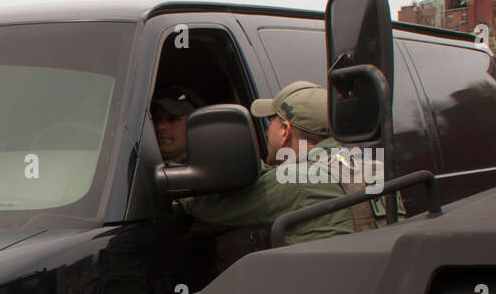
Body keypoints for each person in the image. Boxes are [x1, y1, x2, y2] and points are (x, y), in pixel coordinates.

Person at [180, 80, 356, 249]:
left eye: (270, 122)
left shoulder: (297, 181)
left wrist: (177, 171)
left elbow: (209, 208)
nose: (265, 131)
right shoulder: (355, 165)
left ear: (285, 130)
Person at [150, 85, 206, 165]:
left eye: (172, 119)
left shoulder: (215, 171)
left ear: (198, 125)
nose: (160, 127)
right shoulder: (137, 167)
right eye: (156, 120)